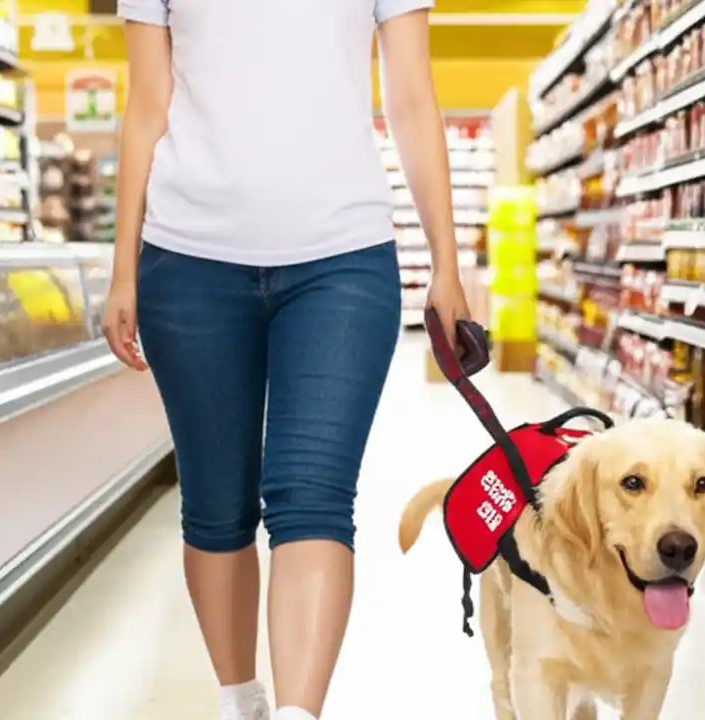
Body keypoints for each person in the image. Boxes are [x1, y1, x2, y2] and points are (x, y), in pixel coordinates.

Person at [104, 2, 471, 719]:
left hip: (342, 260)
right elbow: (147, 103)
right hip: (187, 261)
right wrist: (124, 268)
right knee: (216, 508)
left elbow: (411, 98)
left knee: (313, 496)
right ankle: (241, 702)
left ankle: (300, 714)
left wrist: (446, 265)